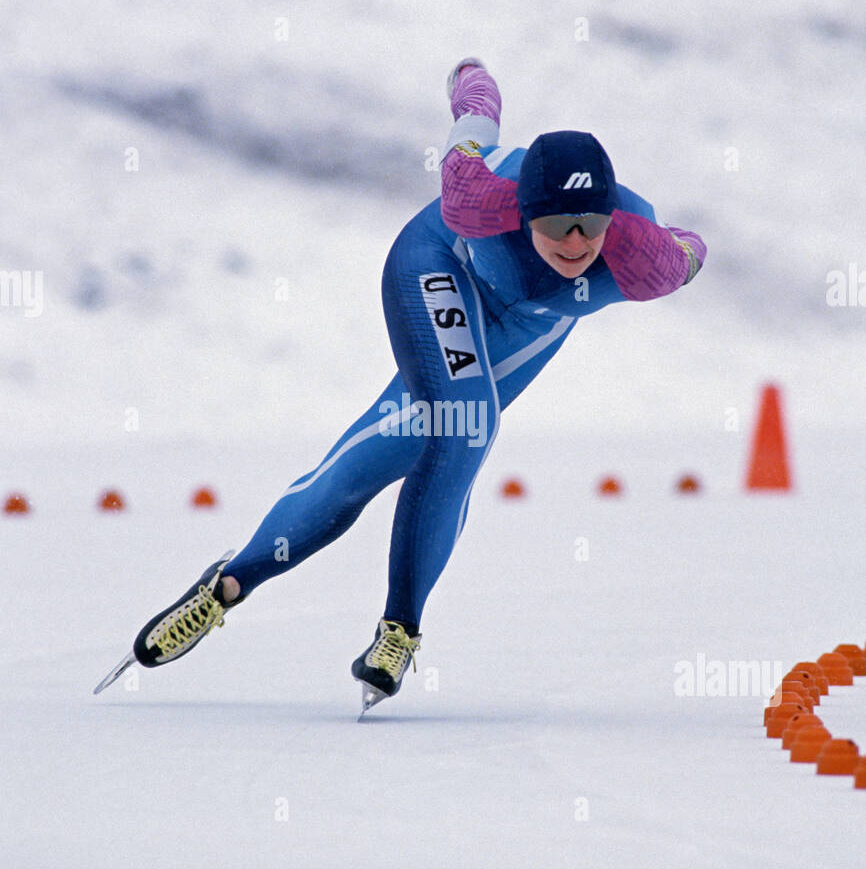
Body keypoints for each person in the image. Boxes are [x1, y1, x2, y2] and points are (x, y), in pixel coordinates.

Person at [127, 60, 706, 713]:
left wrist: (683, 249)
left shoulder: (642, 255)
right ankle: (360, 620)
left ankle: (240, 589)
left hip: (526, 331)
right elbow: (475, 118)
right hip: (436, 269)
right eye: (554, 226)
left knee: (394, 452)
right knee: (466, 426)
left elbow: (692, 250)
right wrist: (471, 76)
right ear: (521, 213)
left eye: (589, 226)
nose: (575, 242)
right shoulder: (475, 190)